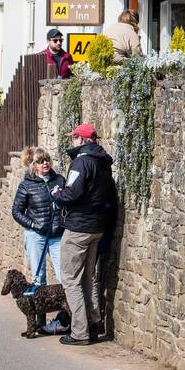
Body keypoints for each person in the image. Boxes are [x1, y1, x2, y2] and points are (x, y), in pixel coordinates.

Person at [52, 123, 117, 345]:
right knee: (88, 277)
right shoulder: (104, 163)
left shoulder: (81, 162)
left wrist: (58, 194)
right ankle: (92, 323)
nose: (72, 142)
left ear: (81, 140)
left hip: (78, 228)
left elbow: (72, 193)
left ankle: (79, 332)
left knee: (71, 279)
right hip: (97, 227)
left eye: (74, 138)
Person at [11, 146, 67, 303]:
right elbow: (16, 212)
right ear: (33, 165)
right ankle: (40, 322)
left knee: (64, 276)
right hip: (36, 236)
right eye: (40, 161)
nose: (45, 163)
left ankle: (65, 319)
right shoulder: (26, 185)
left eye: (47, 159)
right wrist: (33, 225)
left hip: (57, 235)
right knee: (39, 278)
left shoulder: (59, 180)